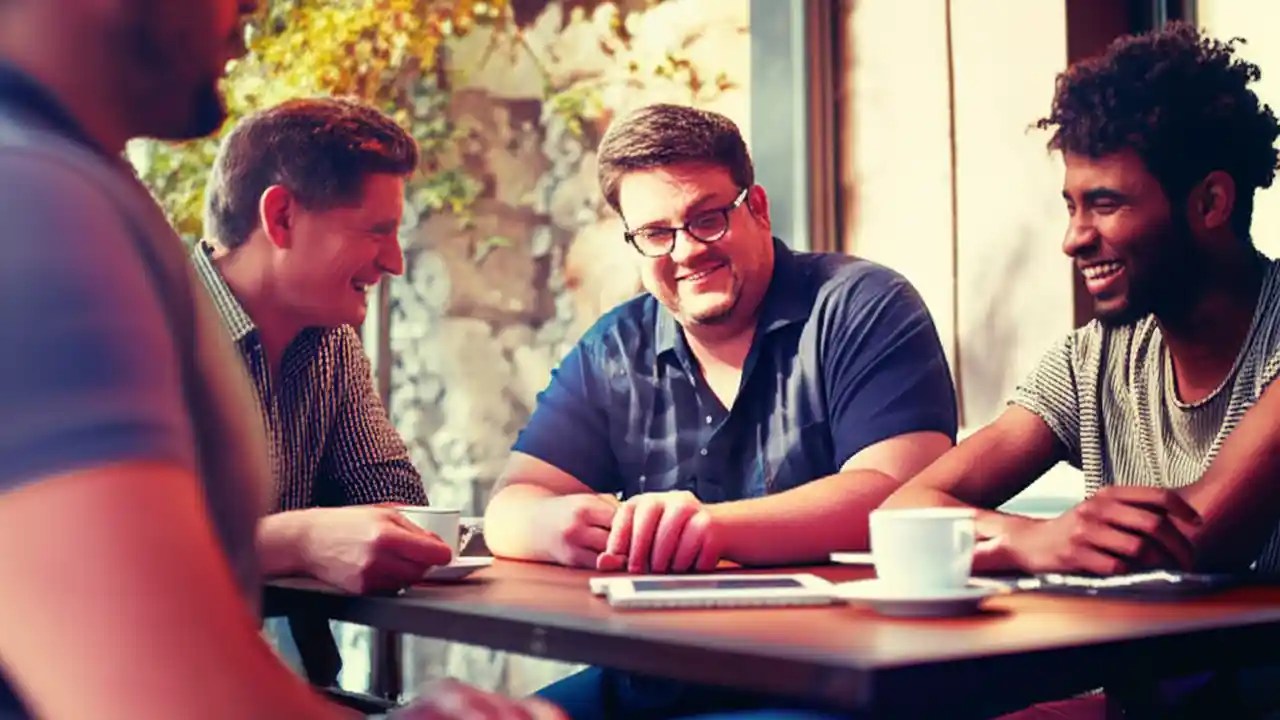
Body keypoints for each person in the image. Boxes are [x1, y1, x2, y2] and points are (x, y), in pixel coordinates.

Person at [0, 0, 560, 717]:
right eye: (377, 232)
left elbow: (395, 511)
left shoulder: (75, 193)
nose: (254, 9)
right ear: (282, 218)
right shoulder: (38, 204)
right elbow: (159, 692)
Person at [484, 102, 958, 718]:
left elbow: (905, 497)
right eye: (655, 233)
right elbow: (511, 504)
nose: (685, 251)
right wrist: (557, 525)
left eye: (707, 219)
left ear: (756, 208)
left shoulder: (861, 306)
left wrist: (707, 526)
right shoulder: (614, 346)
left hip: (834, 677)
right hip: (659, 671)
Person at [884, 22, 1280, 718]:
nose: (1073, 239)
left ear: (1211, 203)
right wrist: (1034, 537)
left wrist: (1007, 544)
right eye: (1072, 205)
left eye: (1106, 203)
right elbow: (902, 511)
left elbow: (1183, 545)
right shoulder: (1090, 359)